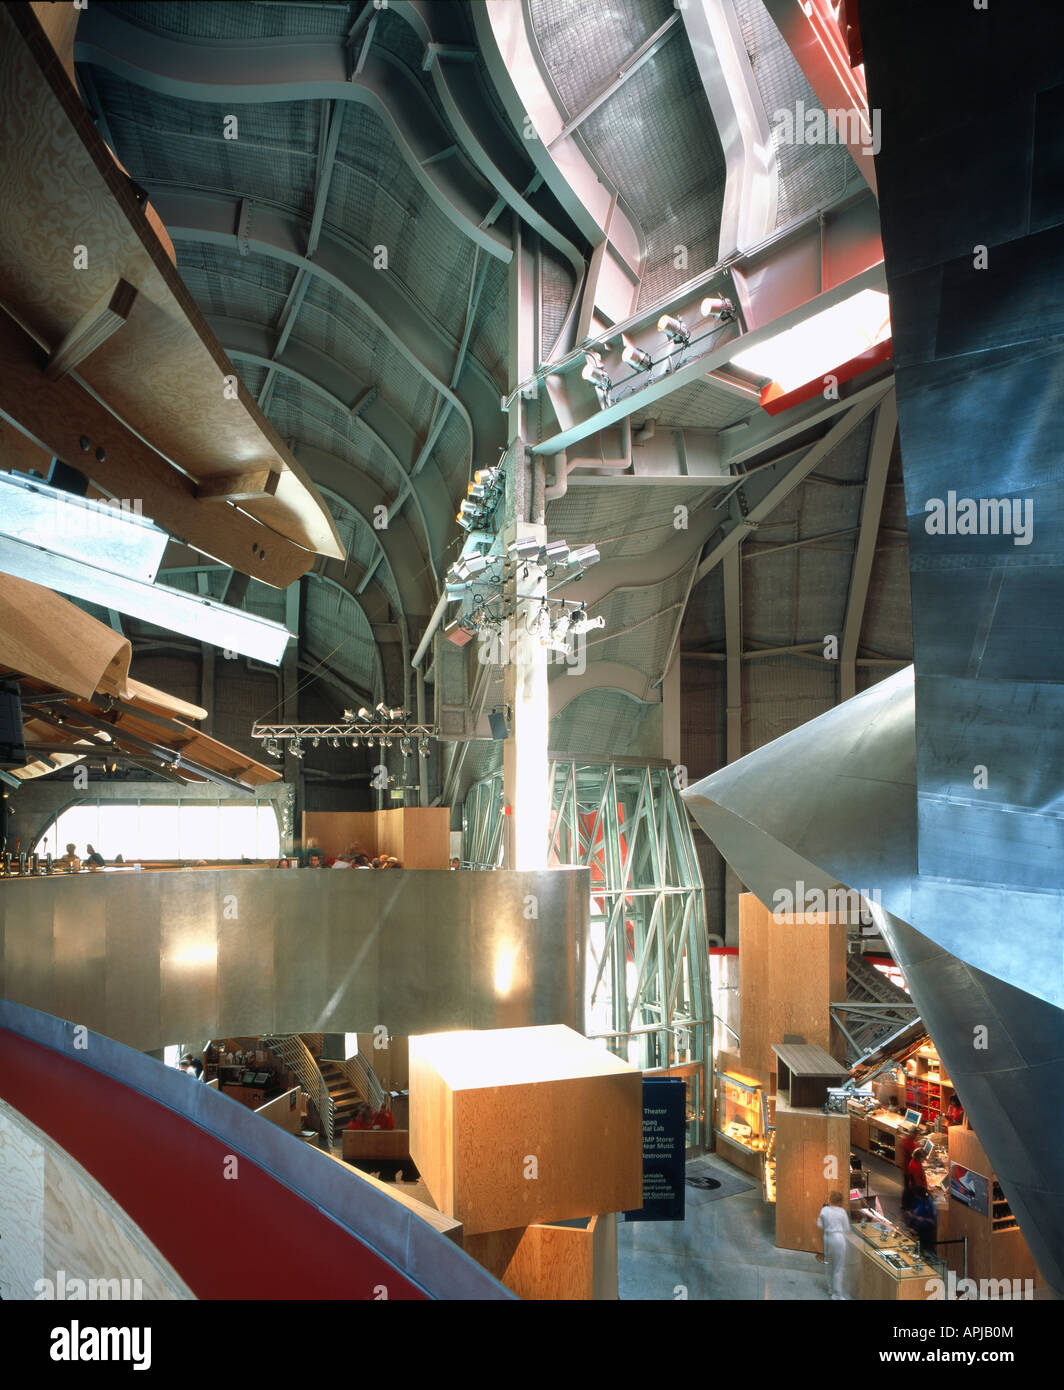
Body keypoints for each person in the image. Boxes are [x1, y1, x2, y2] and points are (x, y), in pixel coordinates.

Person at [816, 1191, 851, 1300]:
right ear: (841, 1201)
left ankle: (830, 1289)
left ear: (830, 1199)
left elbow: (819, 1224)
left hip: (827, 1238)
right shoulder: (842, 1212)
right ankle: (837, 1295)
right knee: (838, 1268)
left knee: (828, 1264)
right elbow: (847, 1229)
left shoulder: (824, 1210)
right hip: (838, 1239)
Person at [908, 1188, 938, 1255]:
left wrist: (921, 1219)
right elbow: (912, 1213)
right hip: (921, 1227)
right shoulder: (919, 1201)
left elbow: (931, 1219)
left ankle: (923, 1252)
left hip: (924, 1228)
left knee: (925, 1242)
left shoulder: (927, 1203)